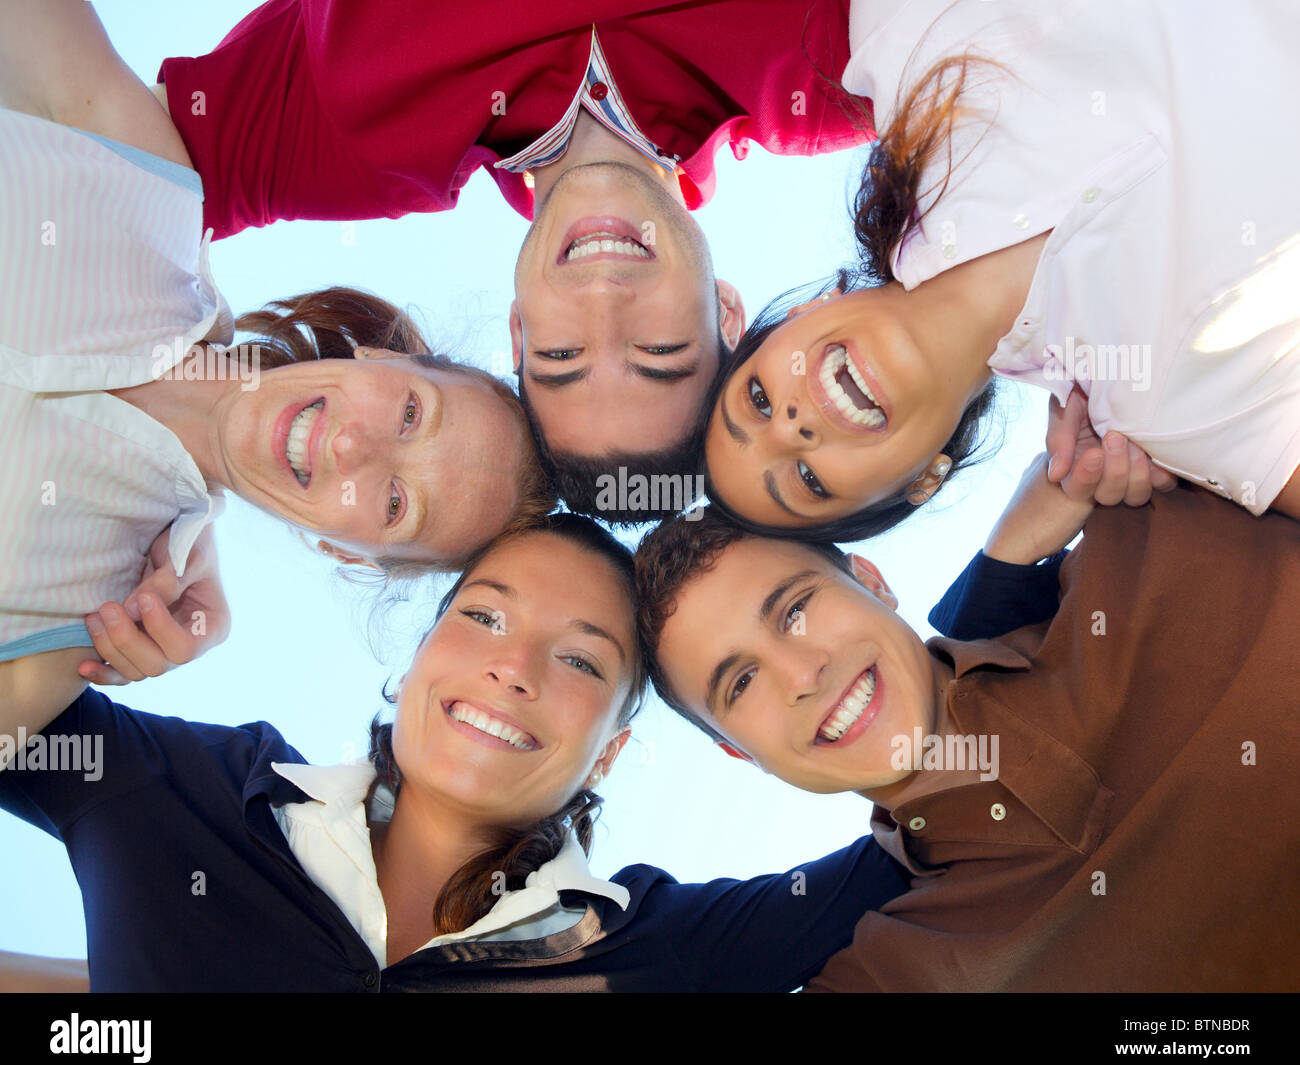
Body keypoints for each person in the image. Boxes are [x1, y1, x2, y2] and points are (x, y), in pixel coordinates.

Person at [0, 514, 911, 992]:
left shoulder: (652, 945)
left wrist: (997, 574)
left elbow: (938, 839)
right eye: (483, 616)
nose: (513, 667)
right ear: (415, 661)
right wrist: (172, 524)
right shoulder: (201, 791)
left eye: (583, 660)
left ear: (609, 753)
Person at [0, 0, 553, 683]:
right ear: (386, 357)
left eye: (394, 503)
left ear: (344, 553)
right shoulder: (152, 187)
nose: (353, 447)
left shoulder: (97, 625)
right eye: (411, 413)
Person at [149, 0, 875, 513]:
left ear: (520, 330)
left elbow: (112, 173)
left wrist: (183, 488)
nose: (603, 296)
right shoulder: (839, 64)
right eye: (656, 347)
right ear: (725, 310)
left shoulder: (367, 128)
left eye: (563, 355)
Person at [633, 469, 1300, 990]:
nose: (801, 673)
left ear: (871, 578)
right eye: (741, 683)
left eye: (796, 609)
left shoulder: (1156, 533)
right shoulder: (892, 978)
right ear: (737, 752)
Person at [702, 0, 1300, 541]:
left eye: (756, 399)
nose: (789, 429)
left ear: (800, 313)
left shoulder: (905, 39)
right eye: (808, 480)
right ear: (924, 482)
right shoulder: (1173, 414)